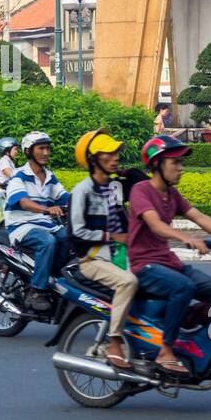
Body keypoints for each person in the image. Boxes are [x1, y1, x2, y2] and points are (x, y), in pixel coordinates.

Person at [127, 134, 211, 377]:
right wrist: (186, 238)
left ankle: (189, 329)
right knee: (182, 287)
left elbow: (199, 217)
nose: (181, 168)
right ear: (157, 165)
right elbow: (155, 224)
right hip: (145, 264)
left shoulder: (172, 195)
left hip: (168, 262)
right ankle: (165, 350)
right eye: (175, 163)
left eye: (181, 163)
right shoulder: (141, 190)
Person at [69, 128, 140, 369]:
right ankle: (114, 341)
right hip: (93, 259)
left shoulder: (115, 187)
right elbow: (76, 232)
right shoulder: (82, 191)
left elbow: (145, 185)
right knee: (128, 283)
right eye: (107, 154)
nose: (115, 157)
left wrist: (125, 172)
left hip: (121, 256)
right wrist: (112, 236)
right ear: (93, 160)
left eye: (116, 153)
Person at [3, 131, 70, 311]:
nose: (46, 152)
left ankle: (53, 278)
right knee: (47, 242)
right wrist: (47, 209)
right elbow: (23, 202)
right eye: (41, 148)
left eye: (47, 148)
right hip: (21, 226)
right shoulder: (18, 176)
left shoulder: (49, 177)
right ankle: (36, 291)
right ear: (28, 151)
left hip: (45, 225)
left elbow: (64, 196)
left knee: (68, 237)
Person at [0, 137, 19, 221]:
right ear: (7, 151)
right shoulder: (4, 161)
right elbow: (11, 174)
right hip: (2, 196)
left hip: (8, 194)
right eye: (15, 149)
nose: (17, 152)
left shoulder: (10, 161)